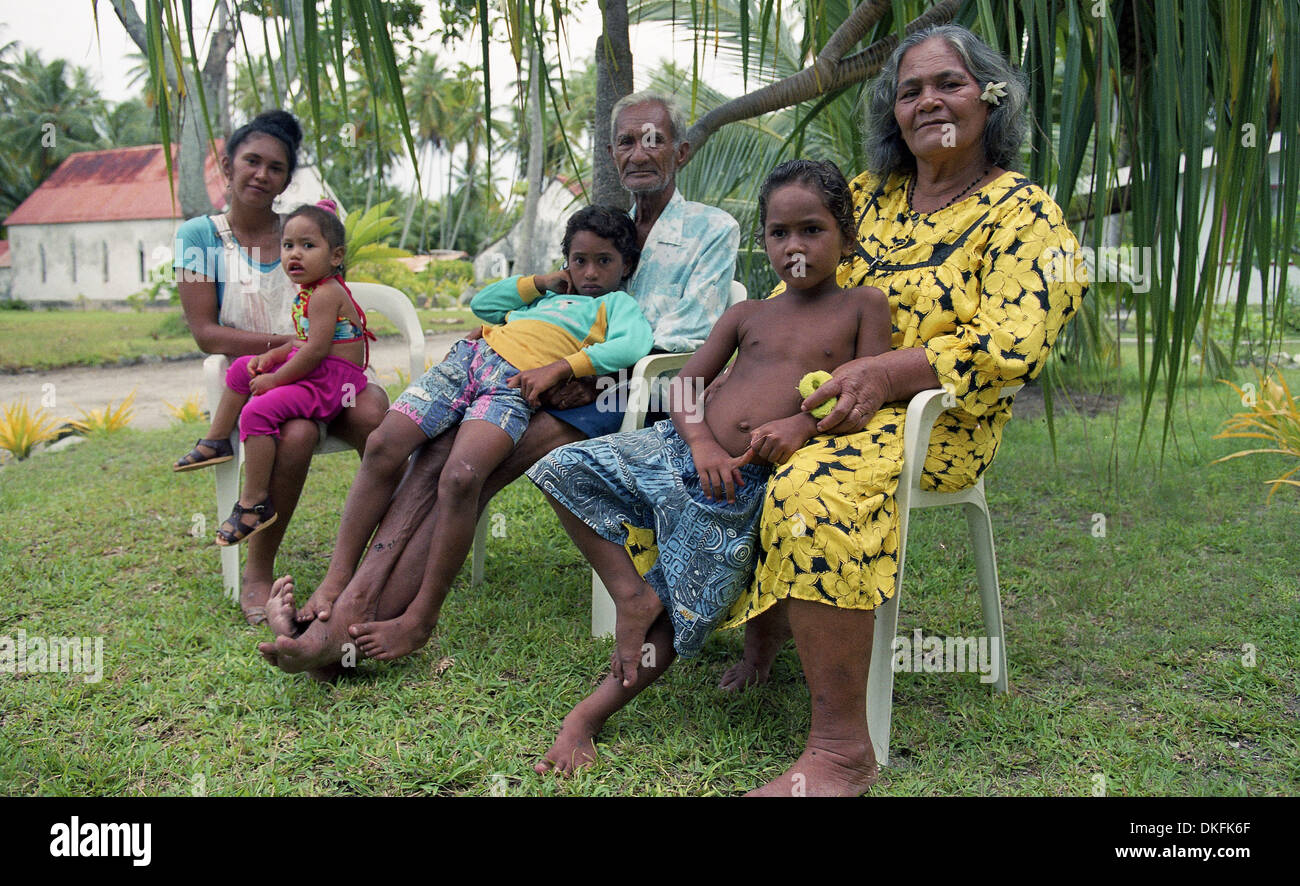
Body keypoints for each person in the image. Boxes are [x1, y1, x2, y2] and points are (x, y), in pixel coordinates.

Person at [713, 25, 1087, 796]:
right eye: (910, 89)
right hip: (826, 401)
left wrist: (888, 372)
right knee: (721, 447)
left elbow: (1014, 344)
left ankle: (841, 751)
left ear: (988, 96)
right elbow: (801, 286)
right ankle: (753, 640)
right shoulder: (869, 195)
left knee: (814, 488)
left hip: (937, 422)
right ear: (893, 111)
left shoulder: (1025, 214)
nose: (929, 101)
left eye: (948, 83)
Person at [259, 91, 740, 679]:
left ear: (681, 151)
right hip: (542, 380)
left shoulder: (710, 228)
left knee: (468, 471)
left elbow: (688, 339)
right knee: (432, 454)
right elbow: (541, 307)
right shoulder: (599, 232)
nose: (639, 152)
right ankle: (346, 610)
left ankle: (343, 634)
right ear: (612, 152)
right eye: (625, 140)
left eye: (654, 139)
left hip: (630, 394)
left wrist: (584, 379)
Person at [525, 159, 891, 774]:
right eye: (779, 233)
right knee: (563, 467)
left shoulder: (863, 306)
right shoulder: (748, 315)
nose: (794, 247)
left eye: (812, 230)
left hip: (735, 488)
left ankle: (588, 715)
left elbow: (861, 396)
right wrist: (698, 444)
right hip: (680, 451)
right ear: (765, 241)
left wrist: (802, 426)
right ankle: (628, 596)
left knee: (684, 604)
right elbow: (687, 386)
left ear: (847, 239)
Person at [258, 206, 654, 670]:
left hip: (512, 385)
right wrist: (541, 282)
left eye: (604, 261)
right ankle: (336, 579)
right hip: (467, 361)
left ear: (626, 265)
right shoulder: (541, 299)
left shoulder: (615, 306)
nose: (589, 273)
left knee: (462, 477)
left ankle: (421, 615)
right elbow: (484, 305)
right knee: (385, 445)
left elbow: (631, 345)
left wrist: (563, 367)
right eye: (579, 260)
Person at [173, 110, 388, 621]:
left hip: (329, 372)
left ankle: (390, 556)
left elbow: (336, 309)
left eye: (275, 167)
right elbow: (206, 334)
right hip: (268, 379)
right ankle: (259, 569)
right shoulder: (200, 237)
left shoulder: (307, 228)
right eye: (251, 161)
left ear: (286, 178)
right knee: (291, 435)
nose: (261, 175)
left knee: (376, 421)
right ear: (227, 164)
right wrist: (286, 347)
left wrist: (306, 350)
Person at [173, 201, 373, 547]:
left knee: (257, 410)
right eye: (288, 245)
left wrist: (275, 379)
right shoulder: (309, 292)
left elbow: (313, 351)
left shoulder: (326, 294)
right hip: (319, 368)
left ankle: (253, 504)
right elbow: (302, 342)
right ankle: (217, 439)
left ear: (336, 255)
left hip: (334, 382)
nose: (295, 254)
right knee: (240, 368)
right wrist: (271, 356)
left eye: (308, 246)